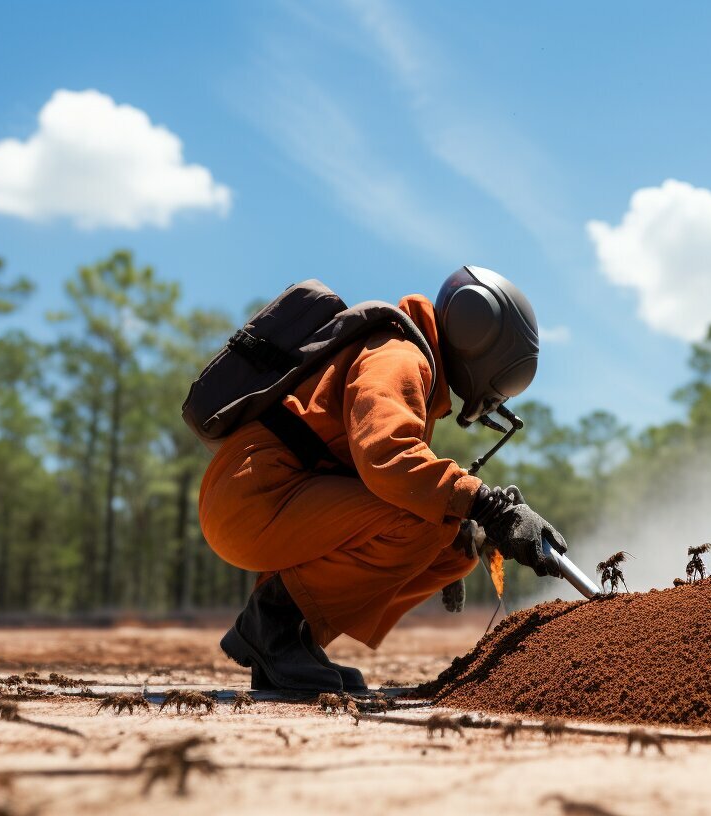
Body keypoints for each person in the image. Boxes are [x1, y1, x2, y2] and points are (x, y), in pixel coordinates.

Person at [198, 266, 566, 694]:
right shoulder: (400, 355)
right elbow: (387, 457)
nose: (499, 396)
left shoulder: (412, 360)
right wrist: (488, 507)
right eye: (506, 378)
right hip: (254, 493)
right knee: (424, 522)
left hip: (269, 493)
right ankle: (272, 624)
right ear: (479, 343)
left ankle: (292, 641)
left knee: (454, 548)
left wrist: (462, 522)